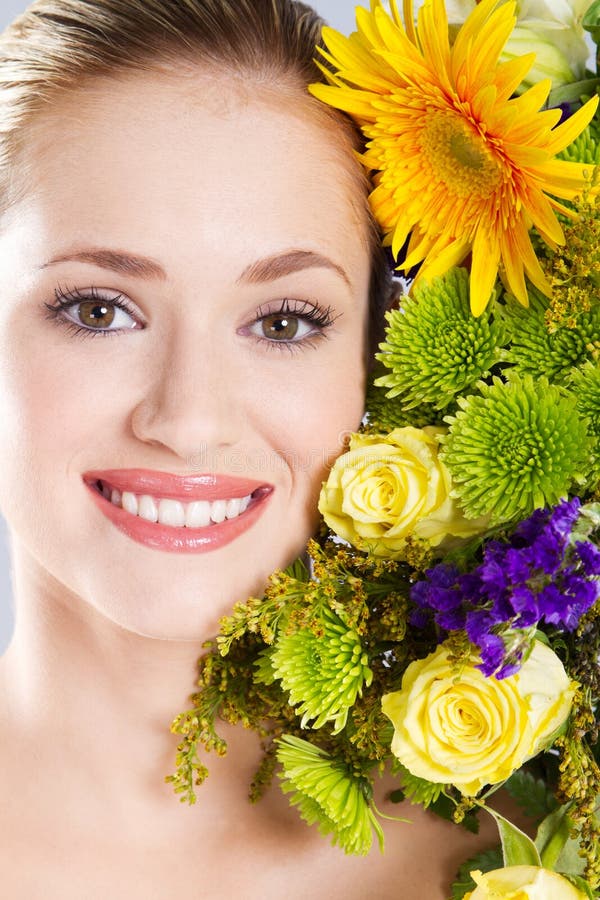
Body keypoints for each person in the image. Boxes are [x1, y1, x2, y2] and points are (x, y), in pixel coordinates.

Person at [0, 1, 517, 896]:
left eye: (283, 322)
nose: (190, 418)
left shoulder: (530, 849)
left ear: (379, 363)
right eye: (97, 310)